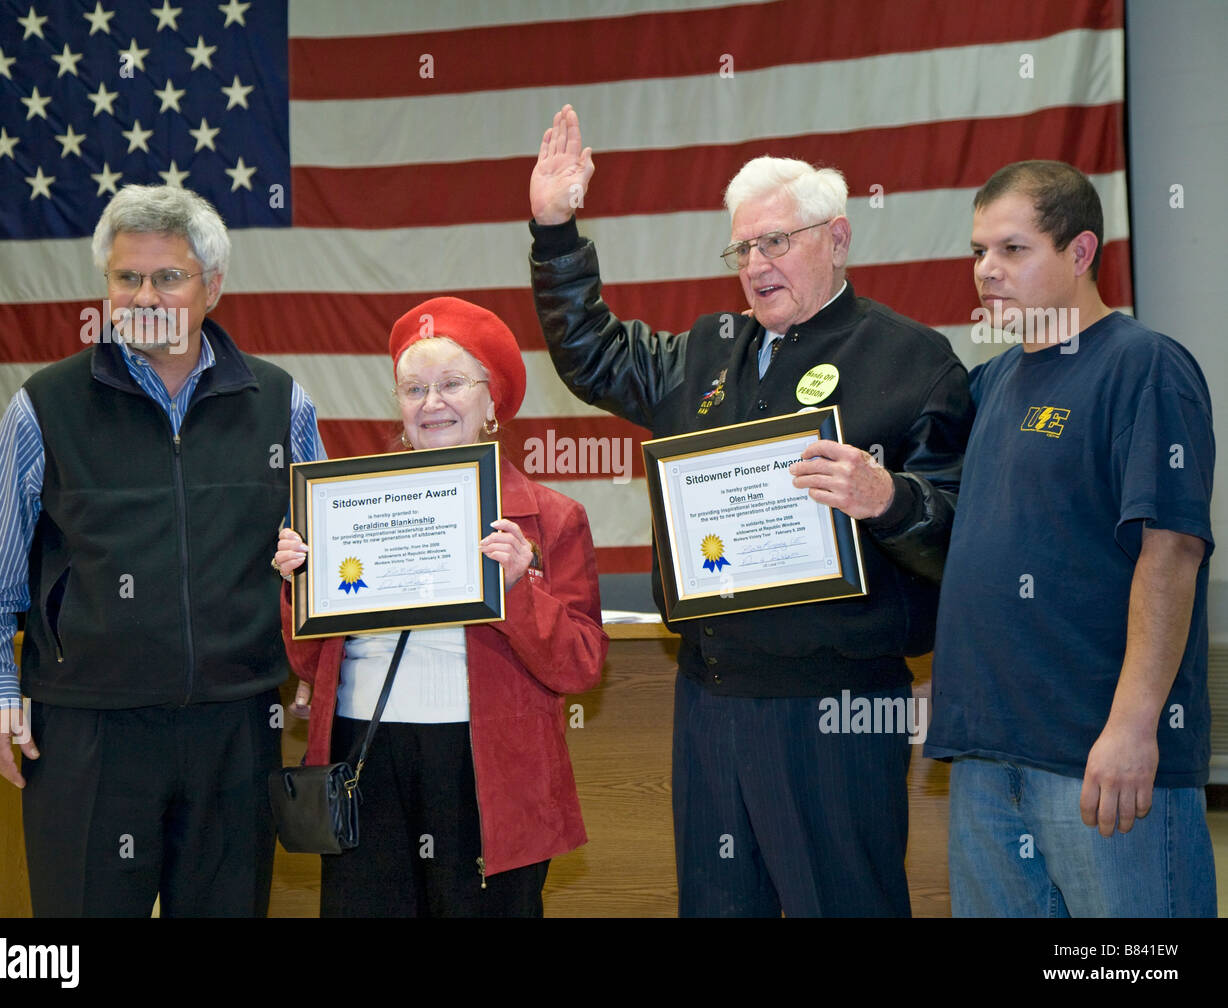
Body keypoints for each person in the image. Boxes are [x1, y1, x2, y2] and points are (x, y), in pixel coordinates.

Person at [527, 105, 972, 916]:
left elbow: (961, 541)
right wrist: (556, 231)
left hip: (837, 704)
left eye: (777, 241)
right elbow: (590, 353)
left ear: (837, 239)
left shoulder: (915, 362)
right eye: (743, 247)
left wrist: (891, 499)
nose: (757, 263)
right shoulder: (704, 350)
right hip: (712, 698)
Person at [0, 184, 326, 917]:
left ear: (212, 287)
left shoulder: (284, 405)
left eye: (168, 276)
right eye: (127, 278)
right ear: (107, 287)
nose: (144, 294)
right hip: (87, 730)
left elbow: (317, 563)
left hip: (237, 725)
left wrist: (321, 663)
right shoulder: (44, 406)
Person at [926, 160, 1217, 917]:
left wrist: (1131, 726)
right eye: (978, 251)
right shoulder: (991, 383)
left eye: (1013, 250)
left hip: (1098, 757)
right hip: (989, 756)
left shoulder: (1143, 366)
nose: (987, 271)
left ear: (1081, 252)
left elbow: (1172, 550)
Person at [273, 296, 607, 917]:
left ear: (492, 400)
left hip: (486, 771)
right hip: (363, 757)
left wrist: (516, 589)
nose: (432, 404)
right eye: (413, 388)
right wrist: (299, 585)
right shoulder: (346, 506)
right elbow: (308, 665)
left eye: (453, 383)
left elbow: (581, 665)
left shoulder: (552, 517)